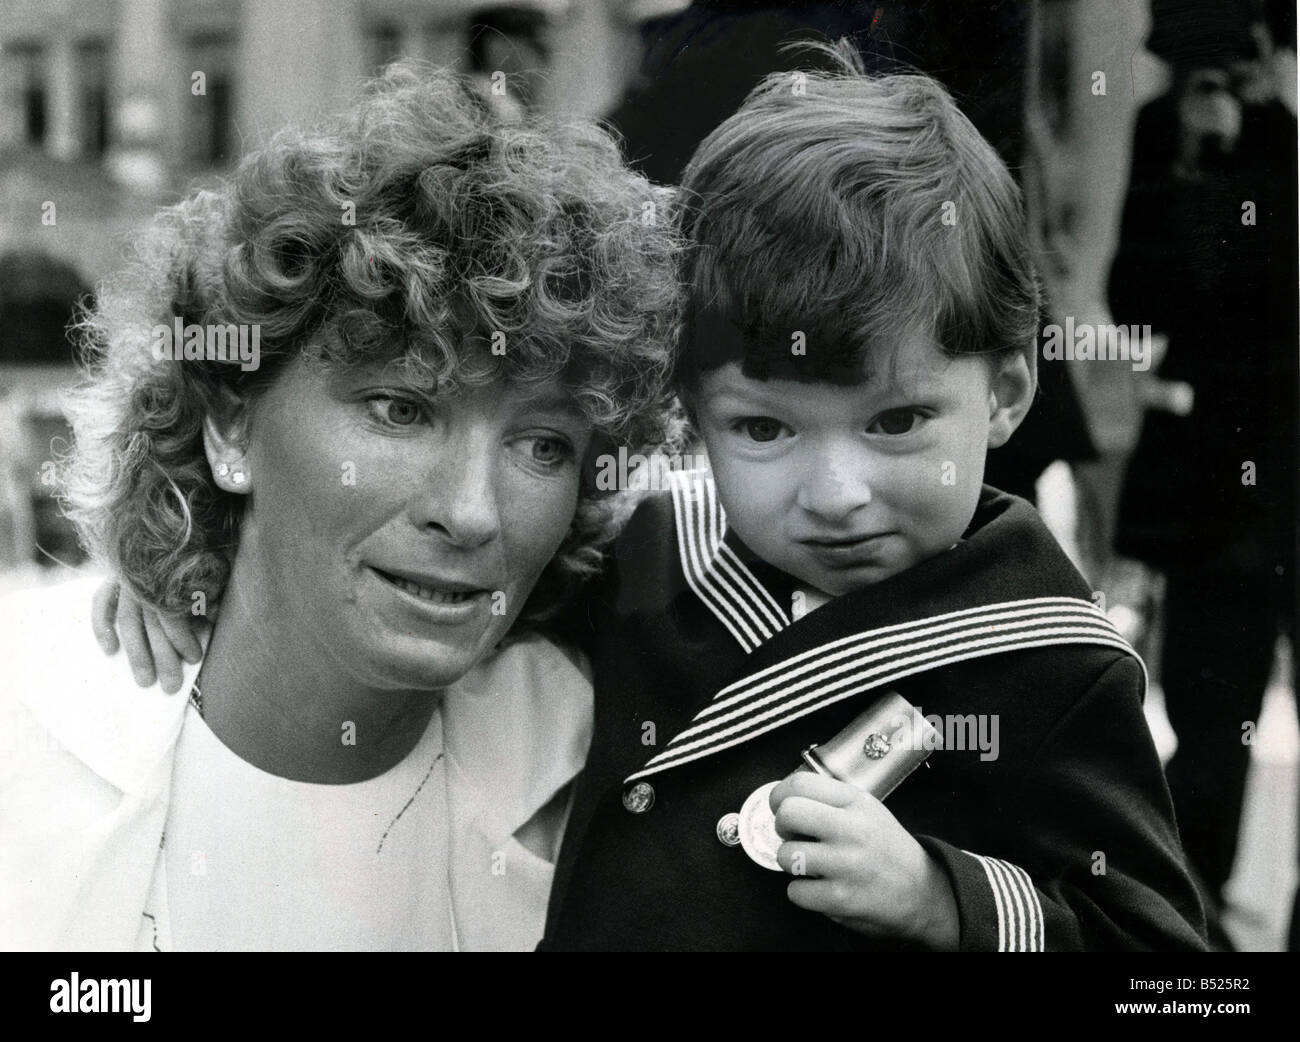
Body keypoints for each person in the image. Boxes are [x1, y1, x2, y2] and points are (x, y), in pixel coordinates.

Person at [0, 63, 682, 952]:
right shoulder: (29, 722)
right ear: (229, 427)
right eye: (401, 409)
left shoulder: (607, 777)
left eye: (541, 444)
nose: (472, 513)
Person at [538, 51, 1208, 950]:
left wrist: (944, 897)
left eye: (896, 422)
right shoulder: (651, 552)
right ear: (691, 409)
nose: (835, 496)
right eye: (765, 431)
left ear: (1006, 393)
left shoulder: (1051, 664)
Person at [1110, 2, 1297, 944]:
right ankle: (1195, 927)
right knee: (1210, 719)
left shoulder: (1290, 141)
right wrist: (1198, 169)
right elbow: (1136, 296)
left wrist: (1257, 154)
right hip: (1213, 486)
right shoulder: (1166, 133)